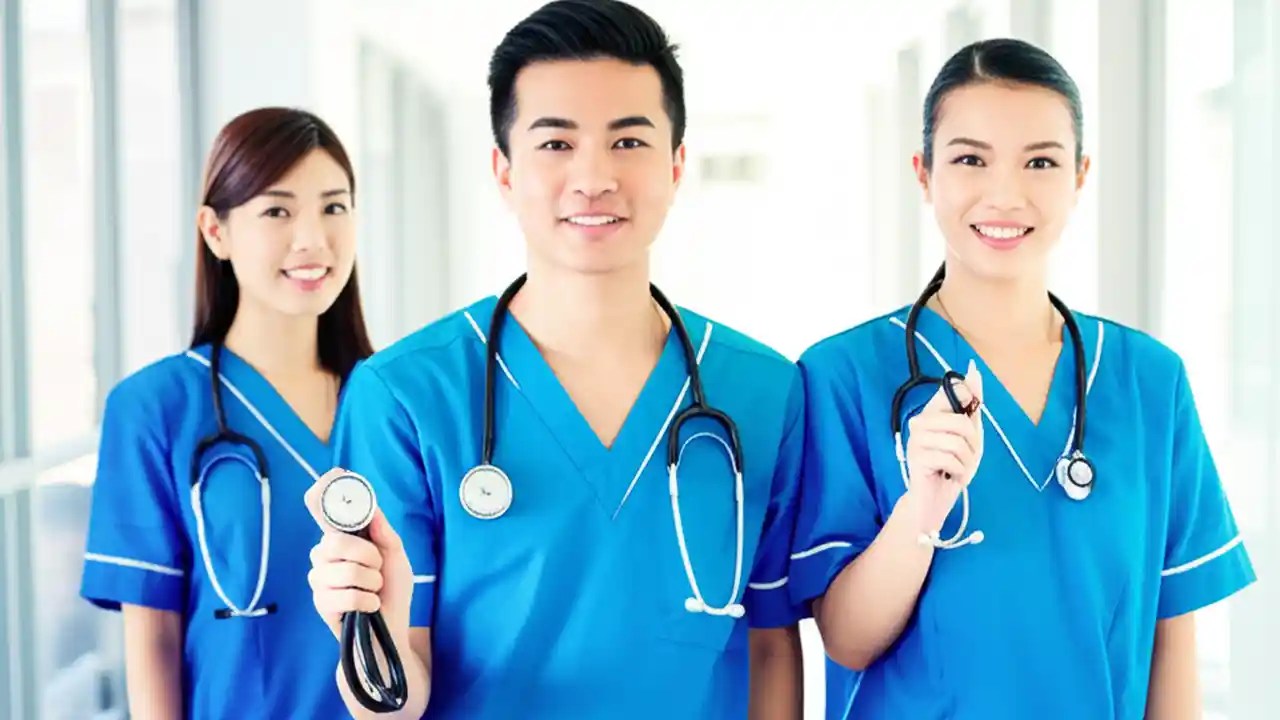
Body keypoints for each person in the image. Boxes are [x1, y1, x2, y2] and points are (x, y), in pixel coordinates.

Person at [304, 1, 805, 718]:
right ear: (504, 170)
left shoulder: (763, 391)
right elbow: (393, 695)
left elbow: (769, 643)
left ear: (676, 166)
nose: (594, 177)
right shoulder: (406, 394)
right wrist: (369, 627)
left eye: (628, 143)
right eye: (556, 144)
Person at [787, 38, 1257, 719]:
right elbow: (846, 640)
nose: (1005, 194)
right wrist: (921, 508)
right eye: (971, 159)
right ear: (923, 174)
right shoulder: (844, 376)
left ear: (1080, 175)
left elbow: (1169, 632)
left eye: (1040, 161)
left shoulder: (1149, 382)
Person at [80, 107, 374, 719]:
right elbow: (153, 640)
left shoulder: (396, 403)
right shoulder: (154, 409)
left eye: (334, 206)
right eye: (277, 211)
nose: (313, 239)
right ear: (216, 232)